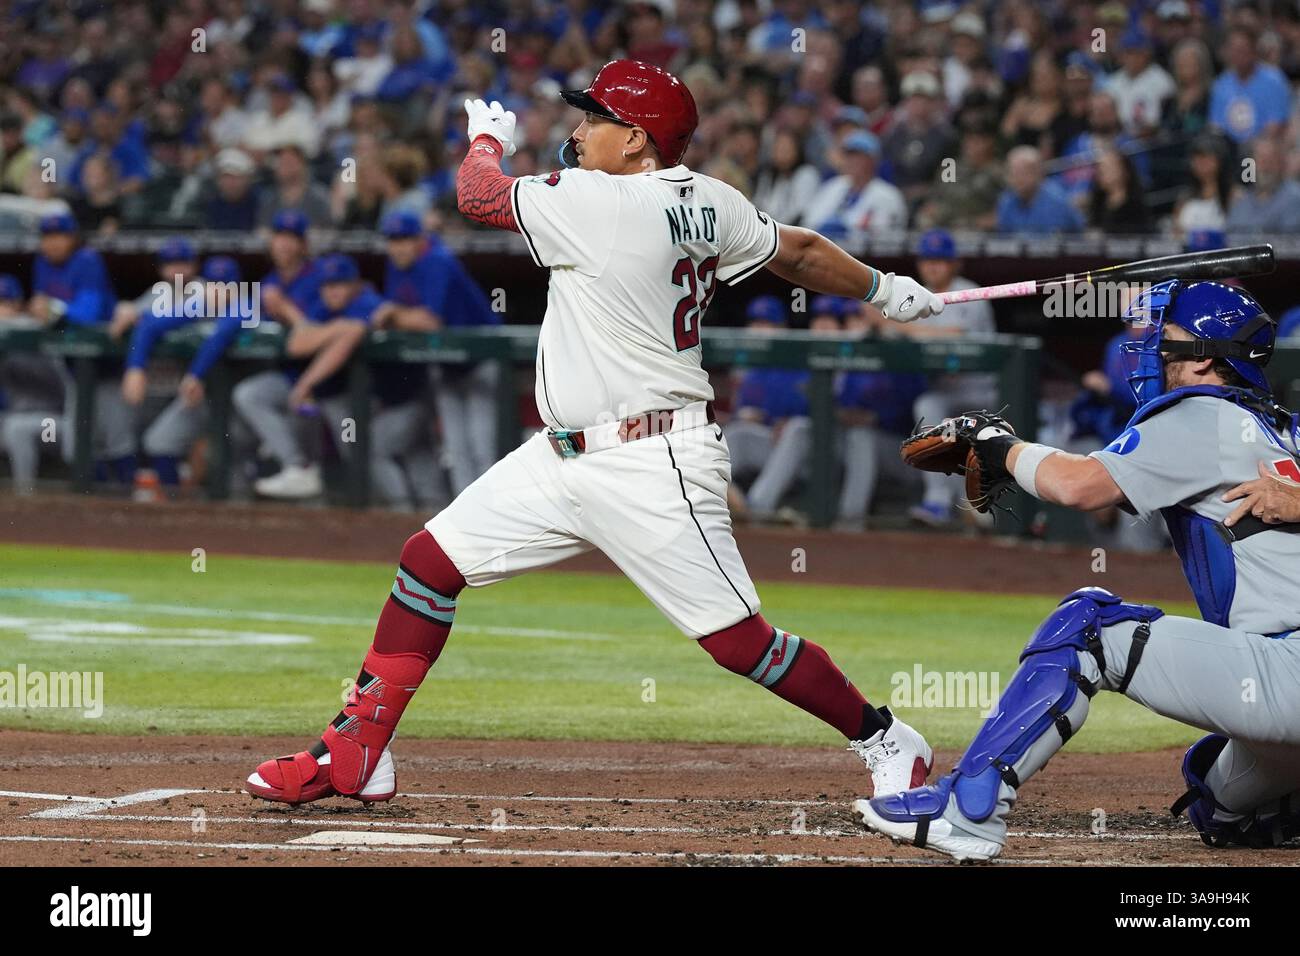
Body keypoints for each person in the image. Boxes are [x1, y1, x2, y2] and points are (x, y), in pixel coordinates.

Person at [244, 59, 946, 807]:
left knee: (740, 644)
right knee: (428, 564)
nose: (578, 132)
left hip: (654, 461)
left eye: (595, 120)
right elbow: (800, 251)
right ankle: (355, 750)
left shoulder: (599, 201)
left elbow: (478, 194)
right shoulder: (715, 199)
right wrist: (886, 288)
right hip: (562, 454)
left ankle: (885, 736)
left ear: (638, 139)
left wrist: (486, 138)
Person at [856, 280, 1300, 861]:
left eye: (1168, 338)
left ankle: (968, 812)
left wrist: (996, 445)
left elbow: (1079, 485)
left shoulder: (1204, 414)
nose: (1153, 350)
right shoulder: (1281, 429)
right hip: (1278, 688)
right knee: (1219, 797)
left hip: (1285, 675)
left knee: (1088, 624)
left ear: (1207, 357)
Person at [379, 209, 498, 496]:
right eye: (393, 240)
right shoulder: (396, 266)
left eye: (405, 239)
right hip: (447, 366)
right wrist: (395, 315)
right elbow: (387, 317)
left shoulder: (437, 260)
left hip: (483, 360)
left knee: (482, 449)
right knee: (456, 450)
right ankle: (465, 519)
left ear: (420, 239)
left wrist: (394, 314)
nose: (399, 247)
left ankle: (493, 518)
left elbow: (428, 321)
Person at [901, 230, 997, 527]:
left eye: (940, 260)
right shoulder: (916, 296)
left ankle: (949, 502)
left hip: (984, 394)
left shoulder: (968, 293)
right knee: (928, 406)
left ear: (955, 264)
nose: (933, 267)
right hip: (946, 395)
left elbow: (954, 336)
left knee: (930, 407)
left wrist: (896, 326)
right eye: (928, 260)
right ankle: (939, 501)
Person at [28, 211, 131, 482]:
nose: (53, 243)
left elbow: (89, 313)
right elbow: (41, 306)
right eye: (47, 237)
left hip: (107, 366)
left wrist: (51, 309)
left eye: (59, 236)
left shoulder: (87, 259)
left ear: (73, 238)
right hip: (75, 369)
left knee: (117, 442)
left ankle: (132, 510)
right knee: (77, 448)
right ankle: (97, 507)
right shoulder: (43, 263)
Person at [996, 145, 1084, 235]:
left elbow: (1055, 242)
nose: (1017, 179)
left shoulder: (1057, 201)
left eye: (1023, 172)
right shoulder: (1006, 200)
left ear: (1039, 173)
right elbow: (1004, 239)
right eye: (1013, 173)